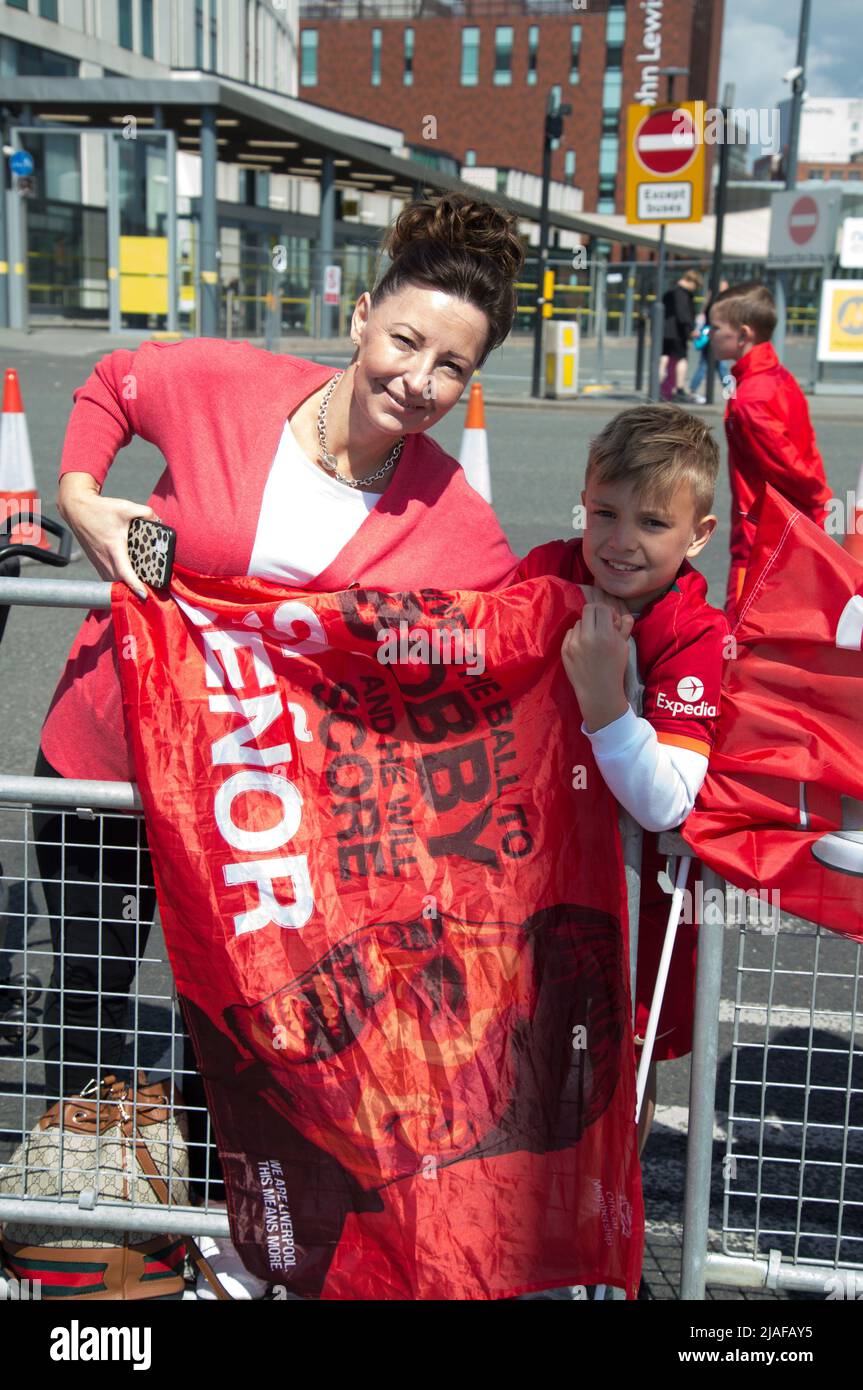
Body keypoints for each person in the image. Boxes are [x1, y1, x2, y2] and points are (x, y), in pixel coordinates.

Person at [34, 191, 526, 1298]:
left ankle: (228, 1240)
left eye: (451, 367)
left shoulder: (446, 514)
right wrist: (84, 503)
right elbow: (115, 381)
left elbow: (514, 621)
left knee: (247, 1032)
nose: (418, 381)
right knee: (90, 999)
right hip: (102, 760)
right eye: (404, 341)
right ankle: (83, 1247)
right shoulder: (234, 388)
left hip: (251, 816)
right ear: (360, 317)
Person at [517, 404, 728, 1155]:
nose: (618, 542)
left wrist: (606, 703)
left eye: (651, 523)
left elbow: (667, 800)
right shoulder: (544, 572)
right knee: (512, 1052)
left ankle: (608, 1245)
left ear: (697, 535)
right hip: (524, 877)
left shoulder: (697, 634)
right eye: (603, 513)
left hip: (638, 907)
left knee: (618, 1071)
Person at [708, 281, 832, 620]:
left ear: (743, 333)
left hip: (761, 532)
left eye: (716, 327)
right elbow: (805, 450)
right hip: (786, 524)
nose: (709, 334)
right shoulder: (778, 377)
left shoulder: (751, 397)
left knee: (742, 623)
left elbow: (787, 466)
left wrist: (818, 495)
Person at [659, 270, 702, 403]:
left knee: (664, 357)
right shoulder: (683, 293)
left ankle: (659, 386)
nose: (694, 289)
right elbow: (683, 314)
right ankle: (679, 388)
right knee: (682, 358)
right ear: (691, 281)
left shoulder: (670, 292)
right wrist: (691, 329)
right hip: (677, 332)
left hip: (665, 330)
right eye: (695, 286)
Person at [689, 276, 730, 403]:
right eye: (724, 286)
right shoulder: (717, 303)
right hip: (713, 338)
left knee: (716, 365)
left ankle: (693, 389)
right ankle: (731, 392)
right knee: (713, 365)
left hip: (713, 337)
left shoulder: (714, 301)